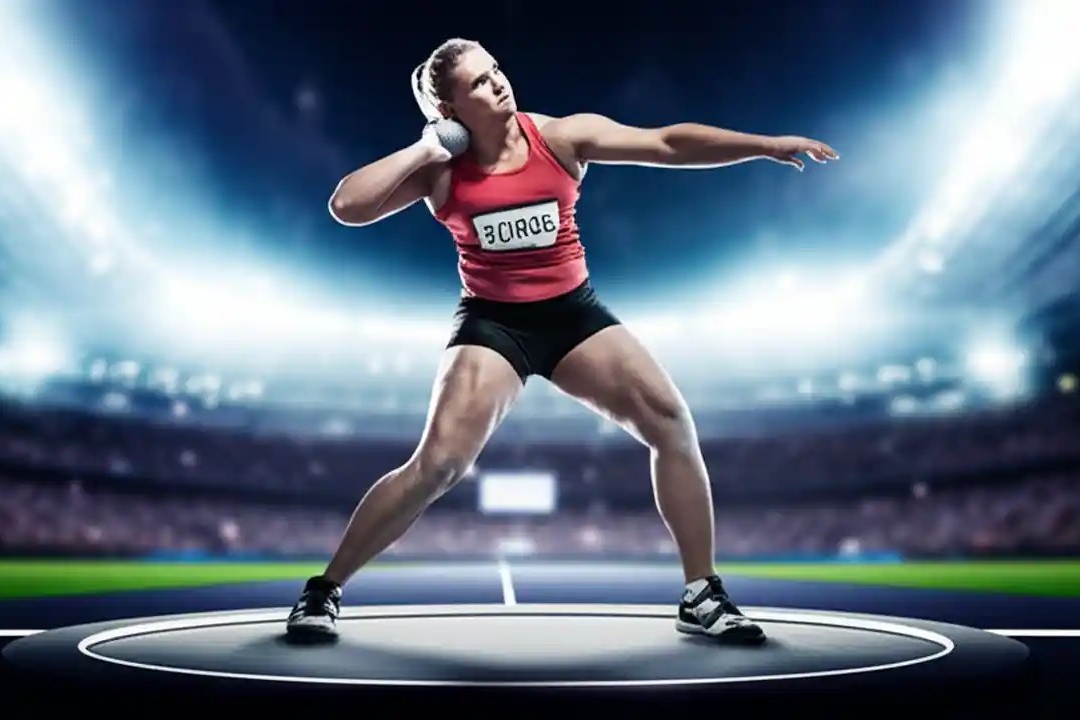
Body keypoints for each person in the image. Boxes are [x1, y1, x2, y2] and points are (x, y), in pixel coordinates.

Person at [286, 37, 837, 644]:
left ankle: (701, 592)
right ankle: (324, 590)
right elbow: (348, 206)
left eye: (495, 70)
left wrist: (763, 146)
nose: (497, 82)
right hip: (494, 324)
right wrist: (423, 147)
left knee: (671, 422)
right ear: (448, 110)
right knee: (439, 463)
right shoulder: (440, 171)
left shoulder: (561, 137)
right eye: (477, 83)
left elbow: (666, 142)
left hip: (573, 316)